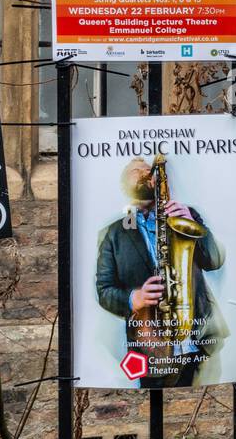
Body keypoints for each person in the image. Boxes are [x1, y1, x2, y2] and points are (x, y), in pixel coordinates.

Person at [94, 157, 225, 388]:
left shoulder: (186, 214)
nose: (145, 172)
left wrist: (191, 221)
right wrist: (134, 298)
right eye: (136, 169)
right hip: (151, 350)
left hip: (200, 344)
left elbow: (214, 260)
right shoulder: (112, 234)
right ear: (124, 184)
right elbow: (104, 291)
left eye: (149, 169)